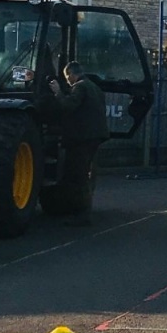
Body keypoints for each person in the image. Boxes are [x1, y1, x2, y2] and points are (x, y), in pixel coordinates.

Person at [48, 61, 109, 226]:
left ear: (73, 74)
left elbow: (68, 106)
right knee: (87, 174)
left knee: (78, 175)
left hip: (82, 138)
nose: (67, 80)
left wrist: (58, 93)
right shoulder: (94, 87)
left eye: (68, 77)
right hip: (95, 136)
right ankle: (82, 211)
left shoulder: (80, 87)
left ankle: (81, 214)